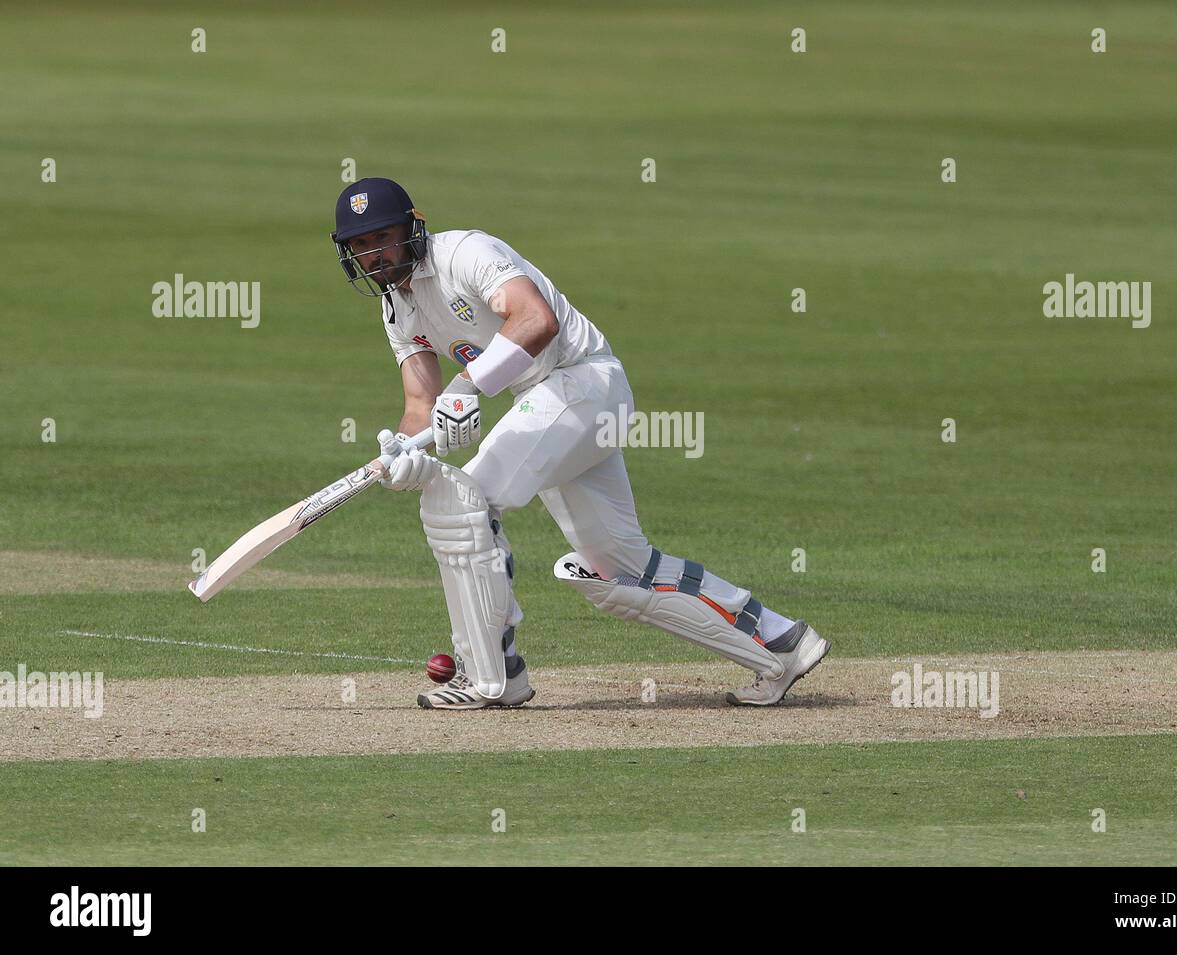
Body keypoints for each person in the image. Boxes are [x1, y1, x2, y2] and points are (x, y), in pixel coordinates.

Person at [330, 177, 829, 709]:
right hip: (555, 405)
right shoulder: (395, 308)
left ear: (411, 229)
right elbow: (419, 406)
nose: (372, 254)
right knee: (620, 571)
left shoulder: (465, 252)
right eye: (359, 245)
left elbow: (534, 319)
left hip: (580, 382)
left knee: (463, 503)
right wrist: (401, 453)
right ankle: (780, 643)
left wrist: (468, 385)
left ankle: (492, 674)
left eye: (381, 237)